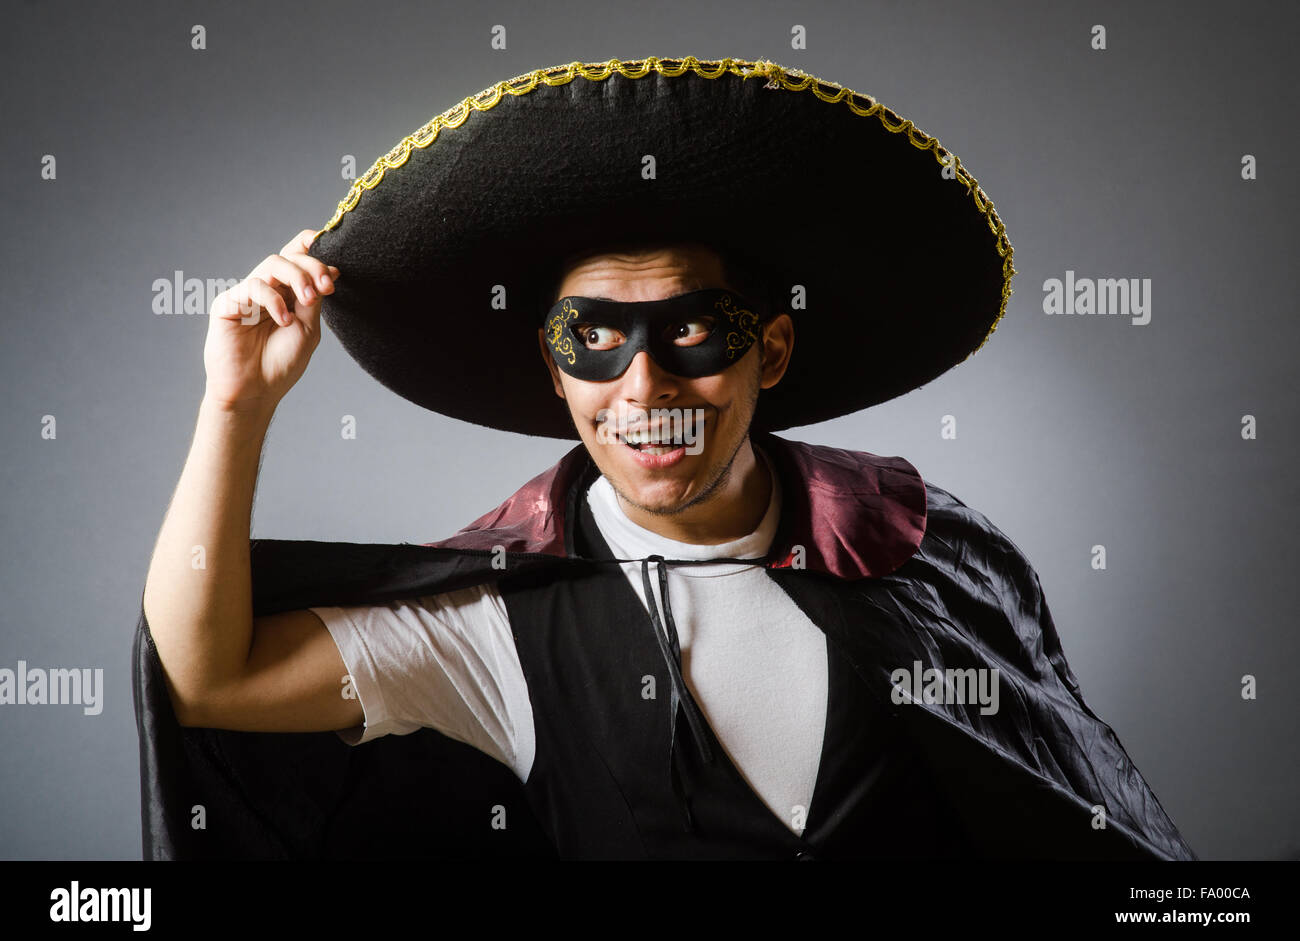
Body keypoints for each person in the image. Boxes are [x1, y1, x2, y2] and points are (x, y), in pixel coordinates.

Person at [135, 56, 1195, 860]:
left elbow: (1066, 802)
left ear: (769, 350)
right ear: (555, 374)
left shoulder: (921, 549)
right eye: (590, 339)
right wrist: (236, 404)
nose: (643, 388)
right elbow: (208, 679)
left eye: (694, 332)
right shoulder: (502, 626)